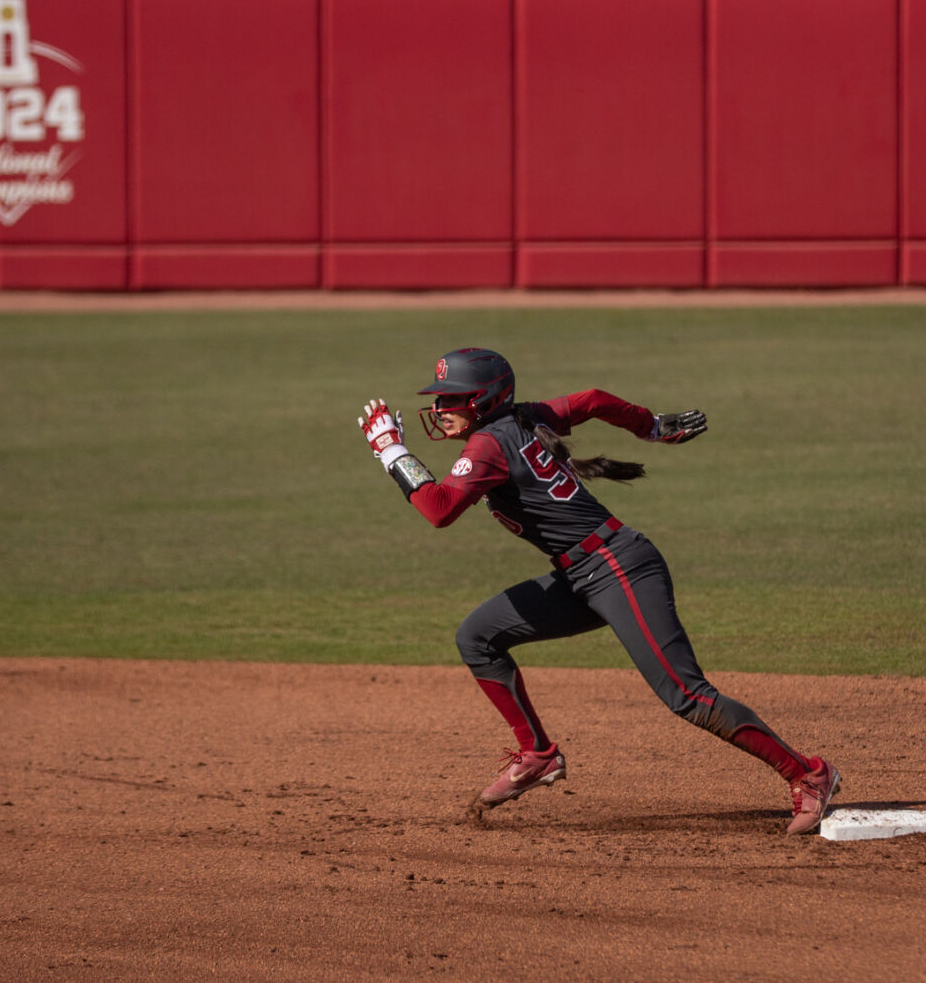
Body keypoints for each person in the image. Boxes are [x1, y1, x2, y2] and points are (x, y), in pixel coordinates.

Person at [357, 347, 842, 835]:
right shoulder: (524, 417)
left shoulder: (488, 445)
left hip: (618, 567)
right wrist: (651, 426)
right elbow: (591, 400)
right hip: (582, 575)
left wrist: (392, 452)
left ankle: (809, 773)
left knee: (686, 696)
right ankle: (537, 755)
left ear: (485, 400)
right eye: (439, 399)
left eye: (452, 398)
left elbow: (439, 509)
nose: (440, 408)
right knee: (476, 636)